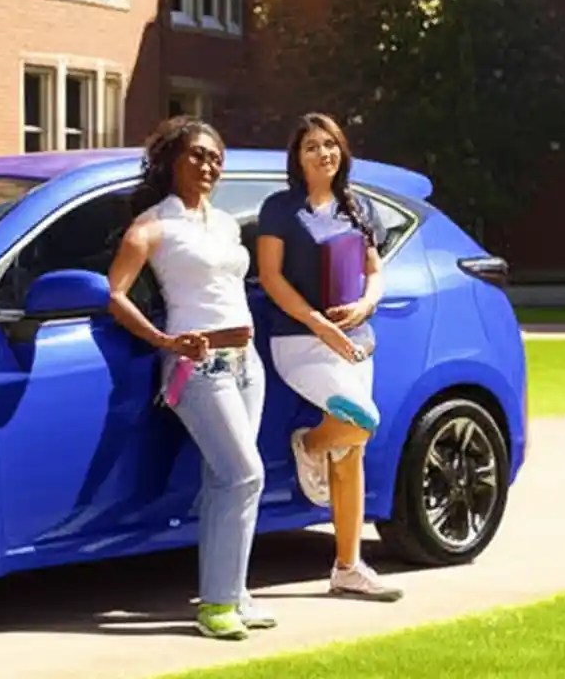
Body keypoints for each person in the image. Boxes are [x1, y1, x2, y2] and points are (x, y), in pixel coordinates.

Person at [106, 116, 272, 640]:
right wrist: (164, 342)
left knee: (228, 481)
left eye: (216, 158)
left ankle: (233, 595)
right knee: (245, 474)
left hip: (247, 362)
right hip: (195, 366)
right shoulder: (152, 226)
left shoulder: (224, 225)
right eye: (197, 155)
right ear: (173, 160)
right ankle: (217, 604)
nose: (208, 166)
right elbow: (115, 294)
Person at [256, 112, 403, 601]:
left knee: (352, 450)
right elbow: (272, 279)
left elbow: (374, 271)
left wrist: (365, 303)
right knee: (362, 419)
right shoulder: (280, 209)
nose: (324, 153)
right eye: (312, 147)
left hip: (357, 340)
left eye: (331, 144)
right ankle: (309, 446)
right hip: (299, 343)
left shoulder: (358, 208)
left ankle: (347, 566)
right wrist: (319, 325)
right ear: (297, 158)